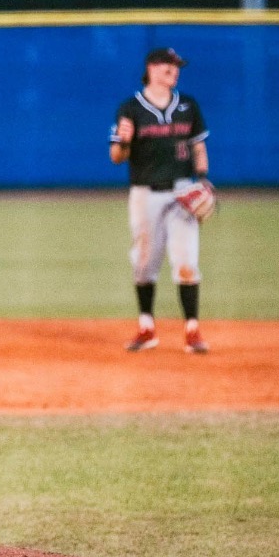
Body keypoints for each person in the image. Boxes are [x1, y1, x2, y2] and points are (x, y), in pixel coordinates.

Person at [110, 47, 213, 354]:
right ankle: (146, 328)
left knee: (187, 262)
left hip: (182, 193)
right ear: (151, 69)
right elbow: (116, 156)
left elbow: (198, 147)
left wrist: (203, 179)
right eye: (168, 65)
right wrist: (124, 141)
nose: (174, 71)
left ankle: (192, 330)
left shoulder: (188, 106)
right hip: (145, 194)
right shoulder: (131, 108)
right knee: (144, 264)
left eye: (177, 66)